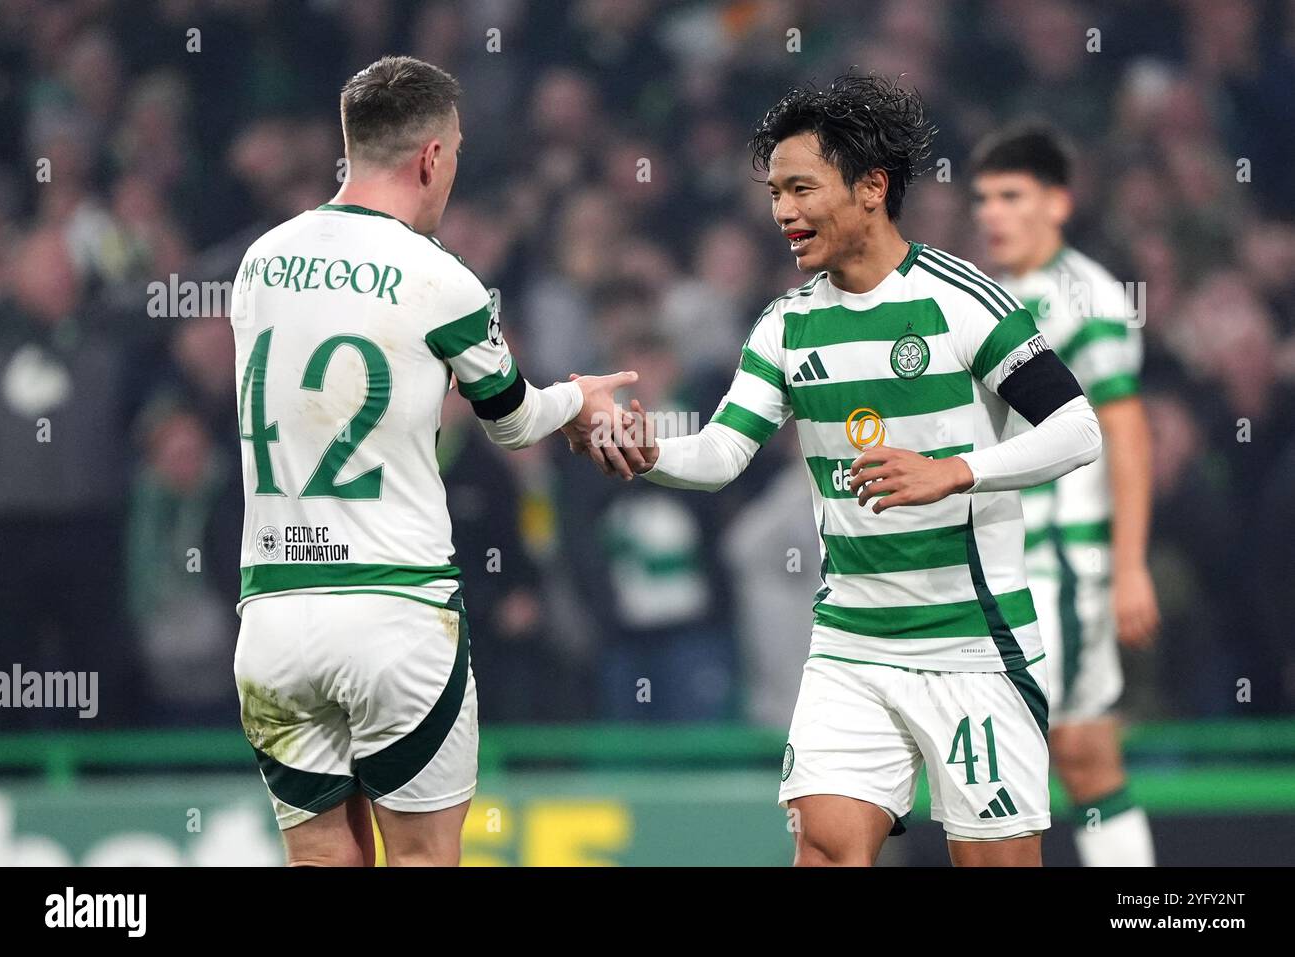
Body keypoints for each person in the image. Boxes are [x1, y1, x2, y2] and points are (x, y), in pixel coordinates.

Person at [588, 74, 1103, 866]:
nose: (782, 212)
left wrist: (953, 472)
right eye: (775, 193)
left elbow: (1077, 429)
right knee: (826, 849)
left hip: (974, 643)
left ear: (871, 188)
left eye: (801, 188)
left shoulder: (964, 301)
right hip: (851, 643)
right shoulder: (787, 325)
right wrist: (650, 449)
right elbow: (724, 451)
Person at [229, 55, 638, 867]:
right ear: (430, 158)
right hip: (394, 610)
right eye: (454, 152)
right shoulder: (442, 280)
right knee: (420, 860)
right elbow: (514, 422)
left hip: (274, 616)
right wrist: (579, 400)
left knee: (321, 861)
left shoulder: (259, 263)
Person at [971, 124, 1159, 866]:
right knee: (1080, 751)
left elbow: (1127, 430)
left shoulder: (1087, 295)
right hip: (1005, 557)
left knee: (1019, 750)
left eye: (1012, 196)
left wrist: (1130, 563)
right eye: (984, 198)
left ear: (1058, 203)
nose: (994, 214)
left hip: (1059, 561)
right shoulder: (994, 293)